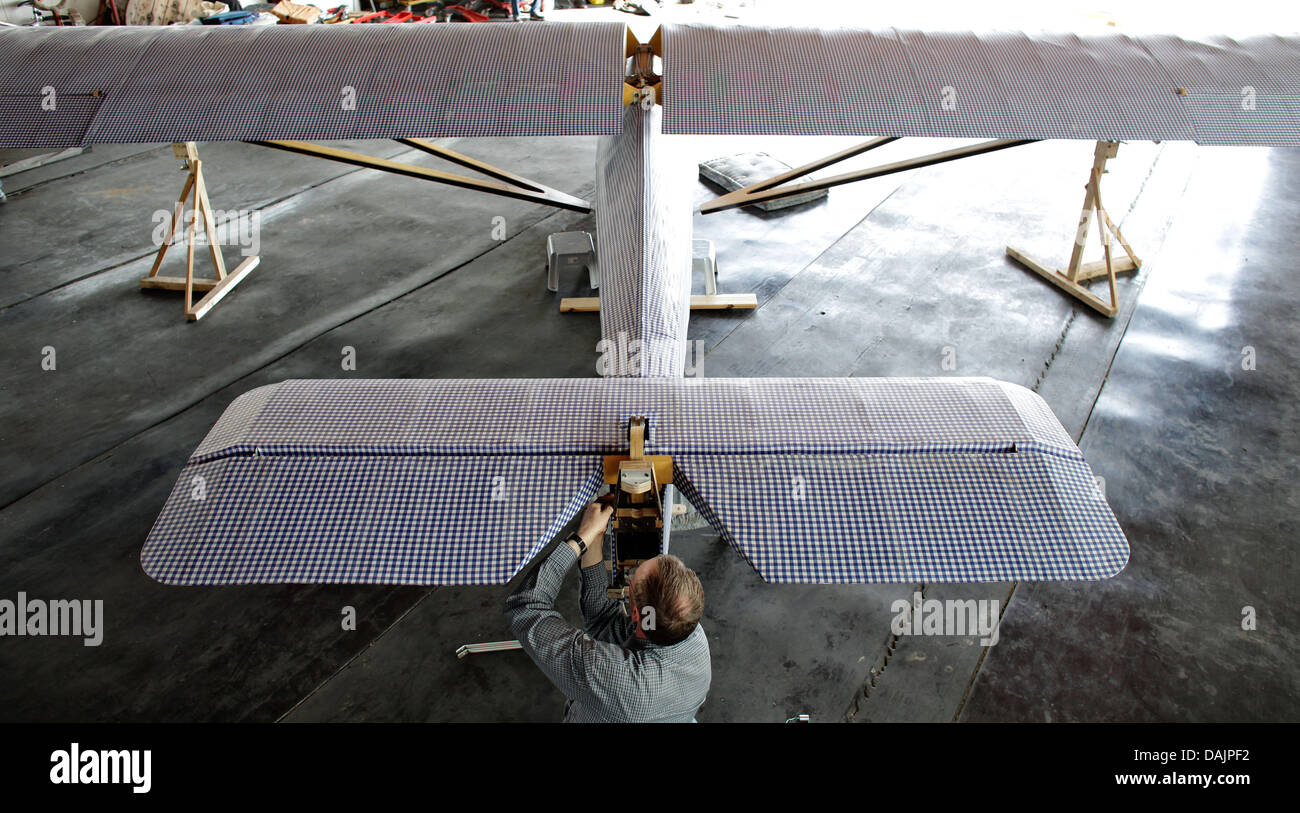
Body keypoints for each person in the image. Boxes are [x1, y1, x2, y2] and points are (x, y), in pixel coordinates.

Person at [504, 501, 711, 722]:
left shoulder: (611, 675)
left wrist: (580, 539)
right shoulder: (686, 630)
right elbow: (604, 621)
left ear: (637, 615)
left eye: (633, 579)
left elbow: (525, 605)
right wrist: (595, 538)